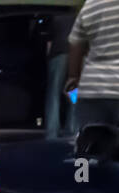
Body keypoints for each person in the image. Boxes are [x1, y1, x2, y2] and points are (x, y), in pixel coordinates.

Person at [67, 0, 119, 130]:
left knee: (92, 144)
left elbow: (76, 44)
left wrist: (73, 77)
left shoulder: (91, 4)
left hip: (92, 89)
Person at [45, 10, 78, 138]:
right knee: (74, 93)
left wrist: (48, 58)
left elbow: (49, 41)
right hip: (75, 55)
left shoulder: (54, 14)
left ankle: (52, 131)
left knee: (53, 94)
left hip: (58, 54)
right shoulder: (78, 14)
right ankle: (72, 129)